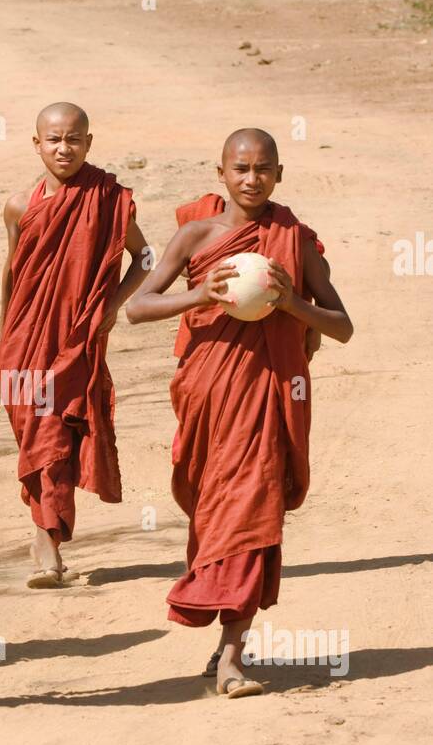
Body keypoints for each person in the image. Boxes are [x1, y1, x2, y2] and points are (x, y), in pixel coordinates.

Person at [127, 128, 352, 698]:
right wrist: (202, 296)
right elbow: (139, 306)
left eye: (263, 169)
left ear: (279, 173)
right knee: (213, 511)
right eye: (241, 169)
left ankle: (233, 656)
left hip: (269, 396)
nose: (252, 180)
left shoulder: (293, 239)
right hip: (208, 395)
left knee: (252, 512)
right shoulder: (196, 235)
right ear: (221, 172)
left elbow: (342, 325)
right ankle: (223, 644)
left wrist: (290, 303)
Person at [0, 101, 149, 587]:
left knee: (59, 435)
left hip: (79, 339)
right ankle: (45, 533)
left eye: (74, 139)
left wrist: (111, 308)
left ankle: (49, 543)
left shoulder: (107, 199)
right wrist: (5, 339)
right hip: (25, 339)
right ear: (36, 142)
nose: (64, 148)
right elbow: (12, 273)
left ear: (88, 142)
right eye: (54, 139)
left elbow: (144, 258)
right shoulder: (20, 205)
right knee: (35, 434)